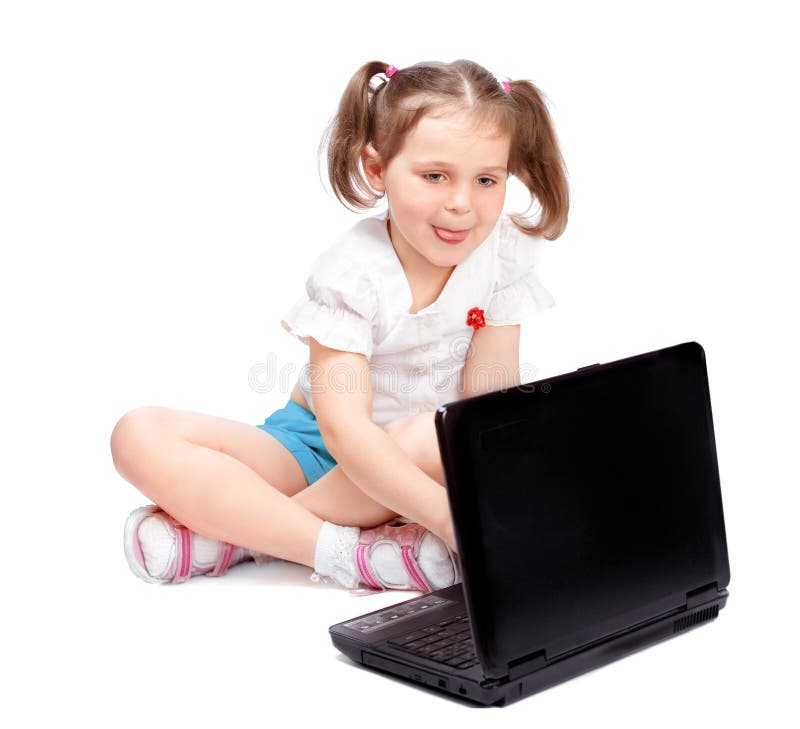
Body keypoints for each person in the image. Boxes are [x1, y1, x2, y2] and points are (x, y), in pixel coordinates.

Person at [111, 59, 569, 596]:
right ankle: (348, 553)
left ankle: (240, 536)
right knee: (138, 435)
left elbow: (489, 400)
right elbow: (344, 432)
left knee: (437, 433)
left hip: (423, 460)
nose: (462, 204)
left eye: (487, 179)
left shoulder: (503, 257)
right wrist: (451, 522)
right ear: (377, 170)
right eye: (435, 176)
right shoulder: (352, 274)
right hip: (314, 449)